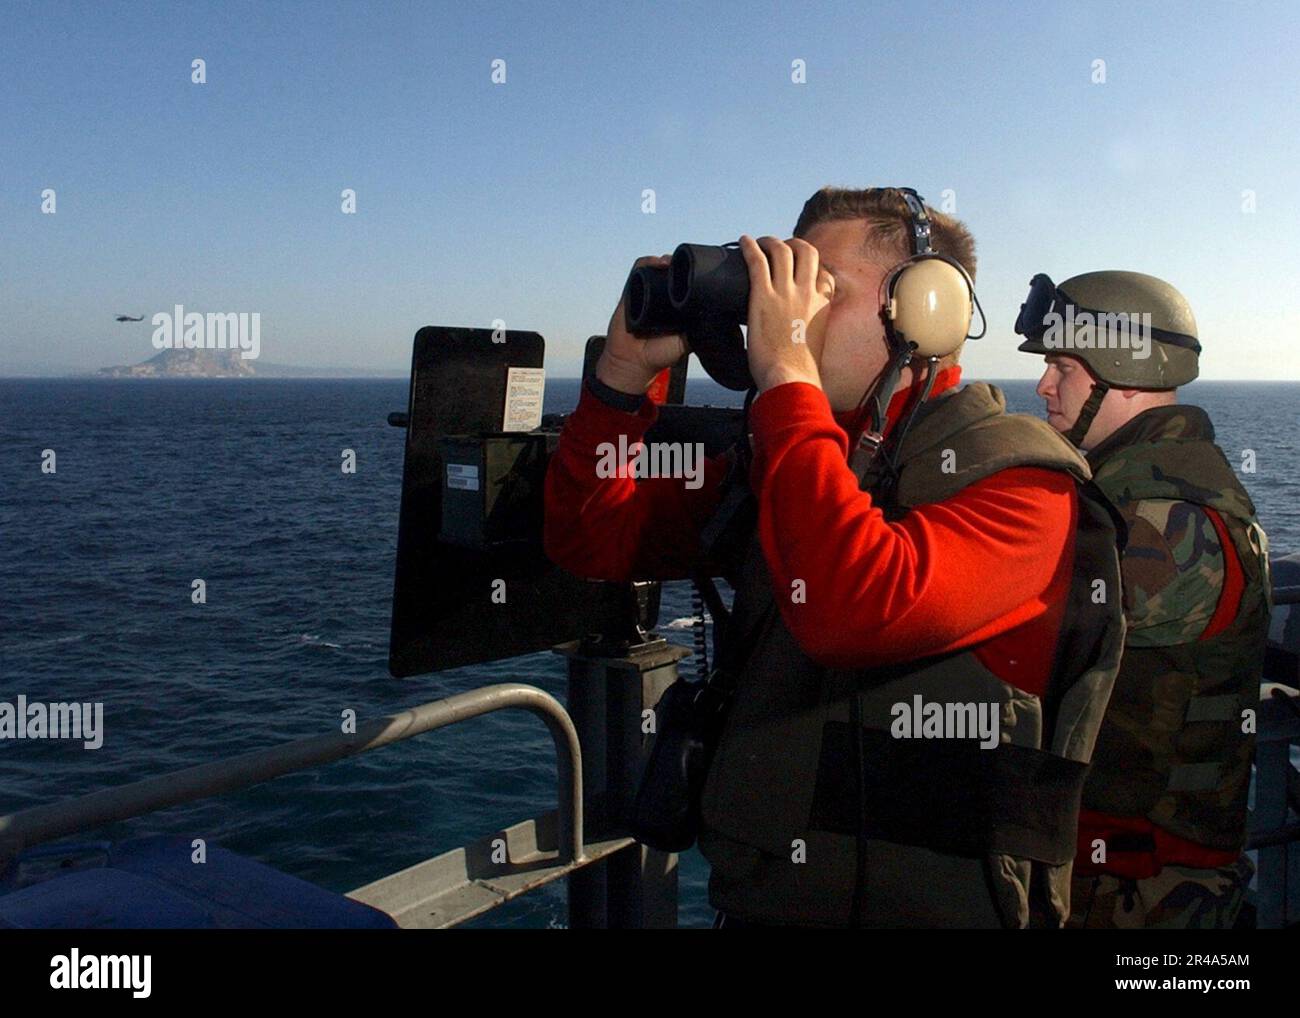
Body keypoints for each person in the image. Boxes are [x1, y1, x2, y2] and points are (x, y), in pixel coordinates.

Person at [544, 187, 1123, 928]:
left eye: (822, 290)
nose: (785, 316)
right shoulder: (792, 458)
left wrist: (788, 374)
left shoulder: (1022, 484)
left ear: (925, 310)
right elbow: (593, 540)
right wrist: (622, 379)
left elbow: (850, 607)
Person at [1015, 270, 1271, 928]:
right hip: (1136, 875)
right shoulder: (1148, 486)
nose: (1044, 385)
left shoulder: (1160, 513)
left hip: (1144, 889)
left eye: (1061, 367)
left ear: (1117, 368)